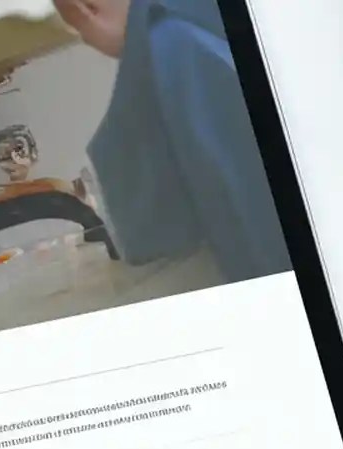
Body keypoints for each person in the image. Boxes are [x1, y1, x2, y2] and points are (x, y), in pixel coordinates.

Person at [52, 0, 291, 280]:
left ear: (87, 9)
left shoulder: (173, 46)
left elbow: (237, 196)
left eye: (81, 33)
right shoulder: (201, 25)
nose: (88, 41)